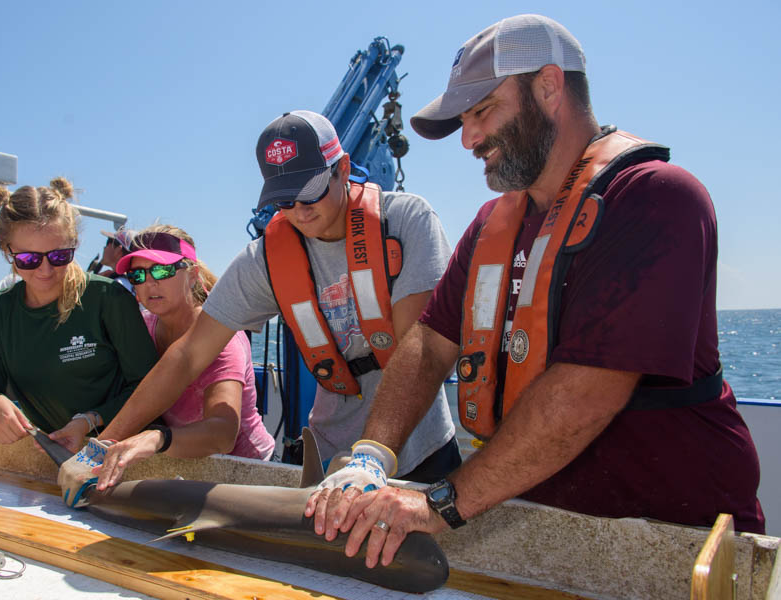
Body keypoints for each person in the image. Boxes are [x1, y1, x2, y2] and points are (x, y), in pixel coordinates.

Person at [306, 14, 765, 568]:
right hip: (544, 529)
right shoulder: (488, 228)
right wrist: (371, 456)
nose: (469, 139)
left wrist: (440, 503)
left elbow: (585, 393)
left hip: (673, 539)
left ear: (549, 86)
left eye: (482, 111)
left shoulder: (656, 199)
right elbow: (429, 344)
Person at [61, 110, 459, 503]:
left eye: (311, 191)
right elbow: (187, 355)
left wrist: (371, 456)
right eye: (285, 199)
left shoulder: (406, 221)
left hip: (419, 451)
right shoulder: (265, 260)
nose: (300, 210)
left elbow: (418, 351)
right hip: (329, 456)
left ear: (342, 169)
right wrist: (105, 443)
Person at [0, 177, 159, 453]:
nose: (44, 270)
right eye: (28, 259)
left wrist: (89, 421)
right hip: (54, 459)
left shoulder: (106, 299)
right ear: (7, 251)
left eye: (59, 256)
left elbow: (151, 389)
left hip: (123, 453)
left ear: (75, 245)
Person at [89, 225, 276, 484]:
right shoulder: (143, 327)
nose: (150, 282)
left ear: (192, 274)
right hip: (184, 465)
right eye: (138, 275)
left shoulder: (223, 341)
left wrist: (157, 437)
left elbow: (223, 433)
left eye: (162, 270)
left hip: (246, 471)